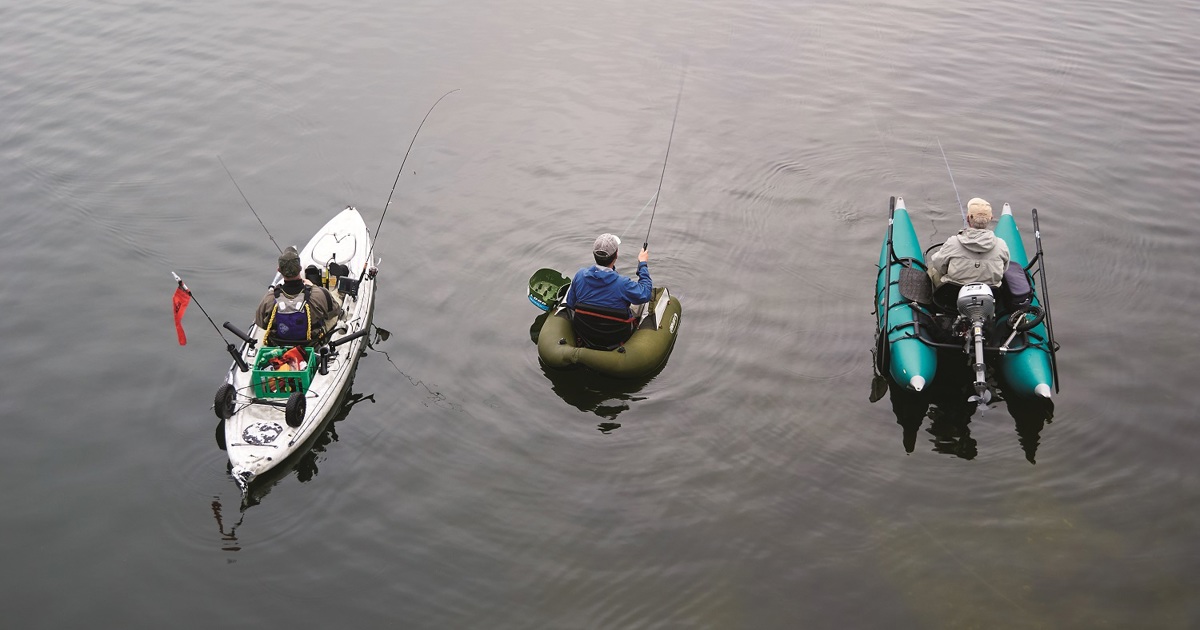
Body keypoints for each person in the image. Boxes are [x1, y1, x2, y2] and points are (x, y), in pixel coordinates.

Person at [255, 246, 344, 345]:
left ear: (279, 270)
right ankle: (340, 292)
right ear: (300, 268)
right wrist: (314, 287)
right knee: (334, 303)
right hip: (311, 343)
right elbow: (335, 311)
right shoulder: (319, 294)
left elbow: (261, 324)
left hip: (279, 344)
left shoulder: (269, 299)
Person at [928, 197, 1010, 298]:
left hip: (952, 297)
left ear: (967, 218)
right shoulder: (1001, 245)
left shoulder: (953, 242)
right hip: (989, 298)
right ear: (991, 219)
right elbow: (1004, 269)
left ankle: (927, 305)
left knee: (932, 270)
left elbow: (938, 266)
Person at [564, 233, 652, 315]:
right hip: (616, 330)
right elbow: (646, 293)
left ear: (594, 255)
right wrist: (642, 264)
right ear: (616, 254)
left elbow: (571, 304)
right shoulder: (623, 284)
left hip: (584, 330)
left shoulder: (580, 276)